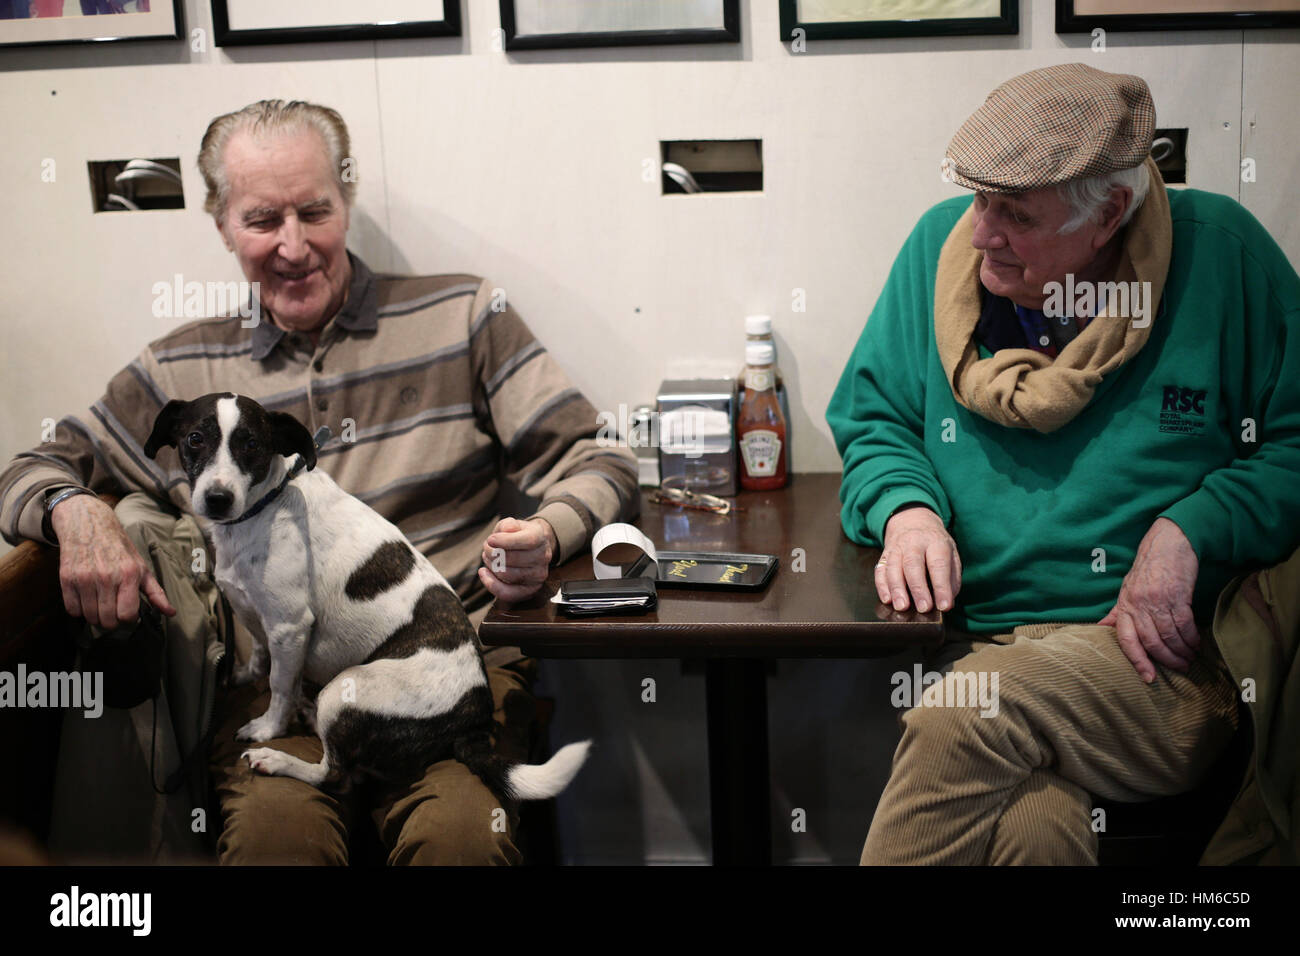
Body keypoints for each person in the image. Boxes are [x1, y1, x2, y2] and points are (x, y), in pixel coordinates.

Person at [0, 99, 638, 864]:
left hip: (438, 669)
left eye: (315, 211)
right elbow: (34, 464)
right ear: (222, 224)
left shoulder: (461, 314)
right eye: (263, 219)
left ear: (348, 199)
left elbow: (601, 453)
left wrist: (549, 531)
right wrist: (74, 511)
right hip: (277, 689)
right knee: (277, 846)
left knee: (462, 843)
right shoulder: (180, 368)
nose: (294, 246)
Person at [826, 63, 1300, 864]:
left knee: (964, 717)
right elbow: (875, 422)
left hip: (1157, 669)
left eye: (1014, 212)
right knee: (1037, 829)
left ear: (1111, 211)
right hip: (978, 643)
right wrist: (905, 509)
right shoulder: (938, 259)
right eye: (979, 199)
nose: (979, 232)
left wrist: (1190, 529)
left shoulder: (1222, 258)